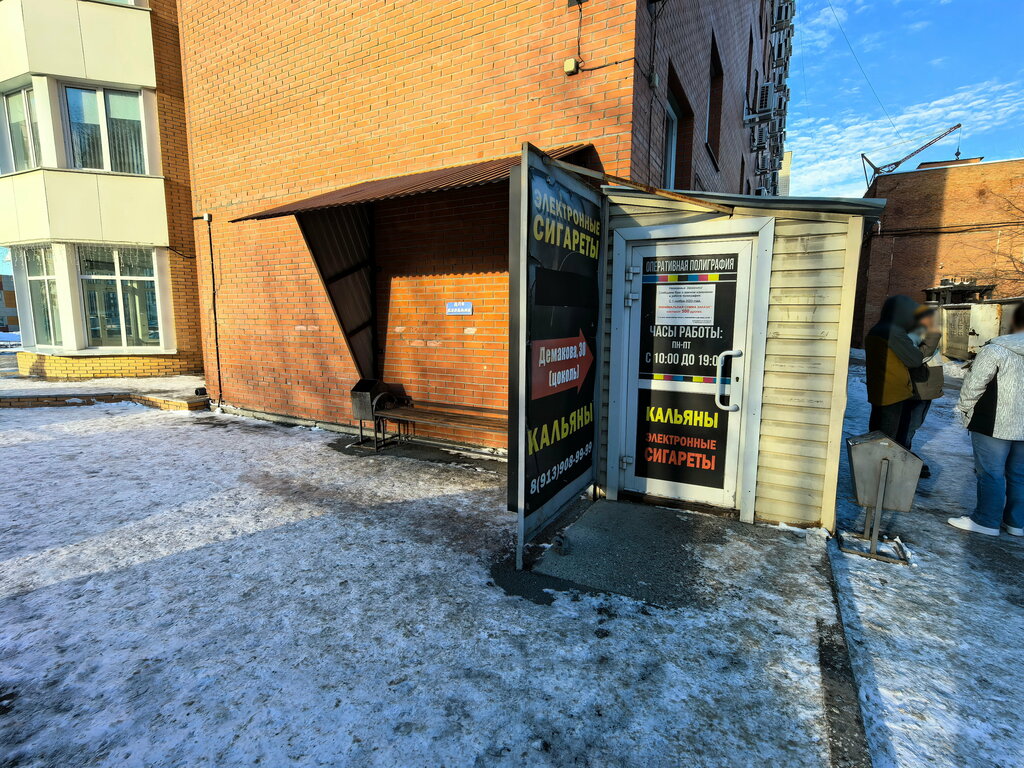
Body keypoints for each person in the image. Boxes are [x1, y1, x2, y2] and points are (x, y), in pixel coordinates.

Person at [949, 302, 1024, 537]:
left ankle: (986, 520)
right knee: (1019, 474)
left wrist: (964, 409)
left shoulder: (996, 349)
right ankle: (1016, 523)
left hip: (994, 422)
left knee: (991, 472)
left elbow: (975, 383)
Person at [864, 295, 926, 447]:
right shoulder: (893, 332)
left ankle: (877, 466)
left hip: (880, 390)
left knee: (877, 435)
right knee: (889, 441)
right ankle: (886, 468)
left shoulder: (877, 329)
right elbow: (915, 359)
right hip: (894, 393)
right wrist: (917, 340)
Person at [904, 306, 943, 476]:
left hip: (923, 385)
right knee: (909, 424)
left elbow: (921, 355)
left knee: (912, 424)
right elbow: (917, 355)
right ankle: (904, 458)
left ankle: (905, 456)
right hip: (919, 386)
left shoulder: (924, 332)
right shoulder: (918, 332)